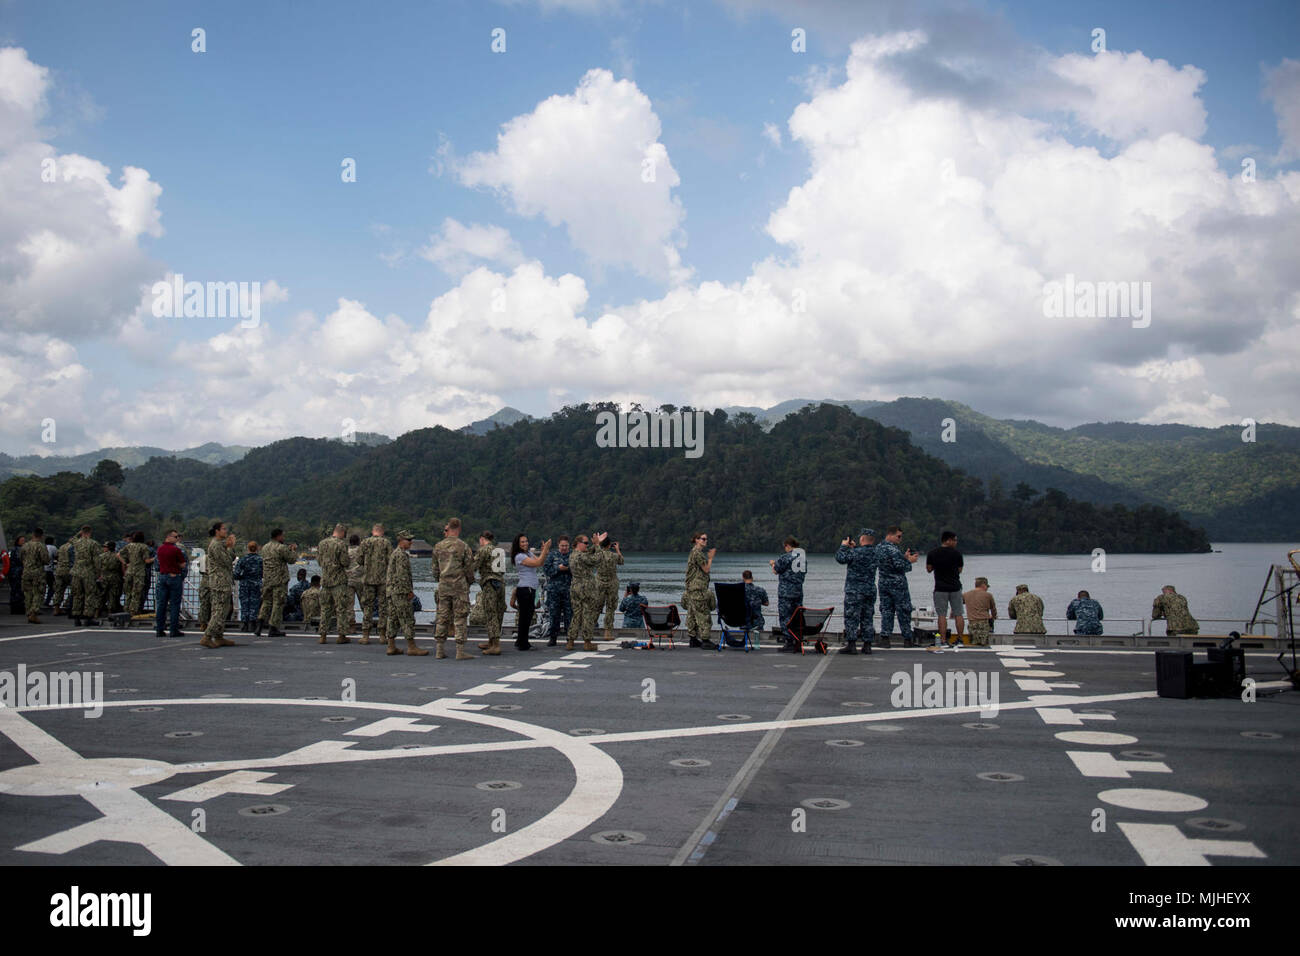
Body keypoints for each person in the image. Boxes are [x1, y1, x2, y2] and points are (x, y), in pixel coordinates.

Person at [432, 517, 476, 659]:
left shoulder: (438, 546)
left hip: (444, 586)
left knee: (442, 617)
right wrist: (469, 582)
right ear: (459, 529)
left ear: (448, 528)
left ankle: (439, 649)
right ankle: (460, 651)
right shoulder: (463, 546)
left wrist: (441, 579)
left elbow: (434, 570)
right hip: (459, 586)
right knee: (460, 617)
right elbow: (469, 568)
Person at [835, 528, 878, 654]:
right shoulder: (876, 553)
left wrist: (844, 546)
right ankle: (867, 644)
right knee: (867, 617)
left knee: (851, 617)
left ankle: (852, 644)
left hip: (855, 590)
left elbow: (840, 558)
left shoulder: (856, 553)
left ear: (862, 539)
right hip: (869, 590)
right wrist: (853, 549)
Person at [875, 526, 919, 647]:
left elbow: (888, 563)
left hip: (883, 583)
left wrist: (903, 557)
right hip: (897, 584)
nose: (900, 539)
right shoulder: (893, 550)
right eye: (898, 536)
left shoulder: (878, 547)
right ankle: (907, 639)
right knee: (903, 610)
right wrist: (909, 561)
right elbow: (900, 566)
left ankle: (885, 638)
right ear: (890, 535)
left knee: (886, 610)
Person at [385, 530, 426, 656]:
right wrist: (409, 591)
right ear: (401, 541)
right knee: (407, 618)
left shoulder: (394, 553)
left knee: (393, 619)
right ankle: (411, 646)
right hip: (400, 592)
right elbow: (403, 576)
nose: (411, 542)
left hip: (392, 592)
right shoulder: (401, 555)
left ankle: (391, 646)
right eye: (408, 540)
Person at [201, 522, 240, 649]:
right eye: (223, 529)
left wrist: (229, 547)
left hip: (222, 580)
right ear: (217, 531)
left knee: (222, 609)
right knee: (219, 610)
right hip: (220, 582)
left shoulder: (220, 544)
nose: (226, 531)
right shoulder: (216, 545)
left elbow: (231, 557)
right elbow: (227, 561)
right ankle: (207, 636)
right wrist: (230, 547)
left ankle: (218, 636)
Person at [512, 534, 552, 651]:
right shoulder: (519, 556)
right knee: (525, 616)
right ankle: (522, 643)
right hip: (525, 589)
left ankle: (521, 640)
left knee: (528, 616)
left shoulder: (528, 553)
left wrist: (546, 550)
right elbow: (537, 563)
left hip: (531, 589)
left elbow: (541, 561)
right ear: (518, 544)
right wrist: (544, 550)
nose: (525, 544)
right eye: (522, 542)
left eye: (526, 541)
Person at [926, 530, 965, 648]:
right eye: (955, 540)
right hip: (955, 587)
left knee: (941, 615)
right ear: (948, 540)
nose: (956, 542)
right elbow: (960, 570)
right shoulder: (957, 554)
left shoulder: (932, 553)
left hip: (940, 588)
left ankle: (943, 640)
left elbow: (929, 569)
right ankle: (960, 639)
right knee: (958, 614)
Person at [473, 531, 508, 656]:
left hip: (489, 584)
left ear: (482, 539)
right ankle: (491, 641)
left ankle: (495, 645)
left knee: (490, 613)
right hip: (500, 584)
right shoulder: (499, 551)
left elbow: (474, 566)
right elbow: (502, 571)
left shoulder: (483, 550)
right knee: (498, 612)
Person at [257, 530, 299, 636]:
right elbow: (292, 560)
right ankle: (273, 627)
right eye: (282, 536)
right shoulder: (281, 548)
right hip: (279, 580)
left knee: (266, 602)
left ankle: (259, 625)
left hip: (267, 579)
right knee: (278, 604)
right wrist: (293, 550)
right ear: (279, 536)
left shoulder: (265, 547)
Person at [356, 524, 392, 644]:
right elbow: (391, 560)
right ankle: (382, 635)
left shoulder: (365, 542)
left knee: (368, 607)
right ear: (382, 532)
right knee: (383, 607)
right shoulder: (386, 543)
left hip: (368, 579)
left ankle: (365, 635)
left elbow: (359, 560)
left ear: (373, 531)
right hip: (382, 579)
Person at [317, 524, 352, 645]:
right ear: (342, 532)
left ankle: (323, 635)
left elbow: (319, 561)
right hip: (338, 581)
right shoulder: (341, 544)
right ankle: (341, 635)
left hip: (325, 581)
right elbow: (345, 562)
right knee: (341, 609)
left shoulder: (322, 543)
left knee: (325, 609)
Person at [771, 537, 807, 652]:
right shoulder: (803, 558)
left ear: (787, 545)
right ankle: (797, 639)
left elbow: (776, 570)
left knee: (785, 616)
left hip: (786, 592)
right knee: (796, 617)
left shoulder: (785, 557)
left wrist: (772, 564)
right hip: (798, 592)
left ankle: (789, 641)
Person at [569, 533, 603, 651]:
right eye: (585, 543)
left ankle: (570, 640)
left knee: (576, 614)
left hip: (575, 587)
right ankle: (587, 642)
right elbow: (597, 559)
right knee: (588, 614)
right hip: (586, 587)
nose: (587, 545)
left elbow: (587, 553)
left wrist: (594, 544)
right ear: (579, 543)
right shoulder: (581, 556)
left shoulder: (573, 554)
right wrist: (598, 546)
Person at [684, 532, 716, 649]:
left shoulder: (694, 552)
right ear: (696, 540)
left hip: (692, 588)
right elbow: (706, 569)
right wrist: (711, 558)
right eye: (702, 539)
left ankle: (693, 639)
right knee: (703, 614)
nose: (705, 541)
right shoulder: (698, 553)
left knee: (692, 614)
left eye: (705, 539)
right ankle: (705, 639)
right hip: (698, 588)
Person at [153, 529, 187, 637]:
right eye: (175, 537)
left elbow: (157, 565)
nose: (177, 539)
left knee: (161, 604)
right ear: (169, 537)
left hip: (162, 577)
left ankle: (159, 629)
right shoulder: (176, 550)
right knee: (175, 604)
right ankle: (173, 629)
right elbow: (183, 565)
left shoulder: (159, 549)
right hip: (174, 577)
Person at [542, 536, 573, 646]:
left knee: (569, 615)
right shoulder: (552, 555)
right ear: (558, 545)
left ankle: (570, 638)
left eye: (566, 546)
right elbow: (546, 570)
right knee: (554, 614)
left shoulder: (573, 556)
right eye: (562, 546)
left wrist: (568, 569)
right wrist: (558, 569)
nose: (564, 548)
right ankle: (553, 637)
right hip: (554, 590)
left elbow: (578, 570)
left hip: (568, 590)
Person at [69, 525, 101, 627]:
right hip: (88, 572)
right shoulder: (93, 543)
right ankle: (88, 618)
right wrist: (98, 572)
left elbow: (71, 539)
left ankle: (77, 618)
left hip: (76, 572)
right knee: (89, 595)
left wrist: (80, 532)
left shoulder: (76, 543)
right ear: (90, 533)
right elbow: (96, 560)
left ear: (82, 532)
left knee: (77, 595)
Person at [596, 537, 625, 641]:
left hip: (599, 583)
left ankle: (590, 629)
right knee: (610, 608)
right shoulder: (614, 556)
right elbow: (621, 561)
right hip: (612, 583)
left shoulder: (598, 555)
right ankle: (607, 633)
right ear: (609, 545)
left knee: (596, 607)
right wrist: (617, 549)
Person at [233, 541, 263, 632]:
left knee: (245, 603)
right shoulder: (260, 560)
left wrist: (242, 578)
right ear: (257, 548)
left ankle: (245, 624)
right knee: (255, 603)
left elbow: (236, 574)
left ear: (248, 548)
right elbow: (264, 572)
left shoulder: (243, 560)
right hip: (256, 584)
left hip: (244, 584)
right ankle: (253, 623)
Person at [122, 531, 154, 616]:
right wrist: (154, 558)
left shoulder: (129, 546)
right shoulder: (144, 547)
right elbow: (147, 561)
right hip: (139, 572)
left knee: (128, 592)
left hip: (129, 571)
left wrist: (125, 563)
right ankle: (133, 611)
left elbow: (118, 555)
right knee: (136, 592)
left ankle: (126, 609)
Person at [21, 527, 49, 624]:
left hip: (26, 572)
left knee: (27, 593)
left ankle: (28, 613)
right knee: (38, 593)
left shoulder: (25, 546)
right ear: (41, 536)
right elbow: (46, 560)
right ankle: (34, 613)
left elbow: (21, 558)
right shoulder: (41, 546)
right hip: (37, 573)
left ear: (33, 534)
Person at [962, 577, 997, 646]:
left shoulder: (966, 595)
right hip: (984, 623)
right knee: (984, 644)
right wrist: (994, 617)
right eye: (987, 586)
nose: (987, 588)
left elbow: (958, 604)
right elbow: (993, 609)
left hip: (972, 623)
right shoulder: (988, 595)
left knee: (973, 644)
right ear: (983, 585)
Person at [95, 540, 126, 618]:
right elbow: (123, 567)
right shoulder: (118, 556)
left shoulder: (101, 556)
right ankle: (110, 613)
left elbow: (98, 568)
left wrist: (98, 576)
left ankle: (96, 612)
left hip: (104, 577)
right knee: (113, 596)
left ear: (108, 548)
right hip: (115, 577)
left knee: (101, 595)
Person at [741, 570, 768, 635]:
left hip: (744, 622)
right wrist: (756, 601)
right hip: (757, 621)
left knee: (745, 640)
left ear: (743, 578)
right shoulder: (760, 590)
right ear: (752, 578)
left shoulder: (739, 590)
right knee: (758, 641)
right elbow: (766, 603)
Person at [52, 536, 74, 616]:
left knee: (59, 590)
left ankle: (56, 609)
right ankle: (67, 605)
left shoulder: (61, 547)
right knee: (74, 589)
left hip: (59, 570)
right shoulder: (74, 547)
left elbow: (57, 557)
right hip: (69, 570)